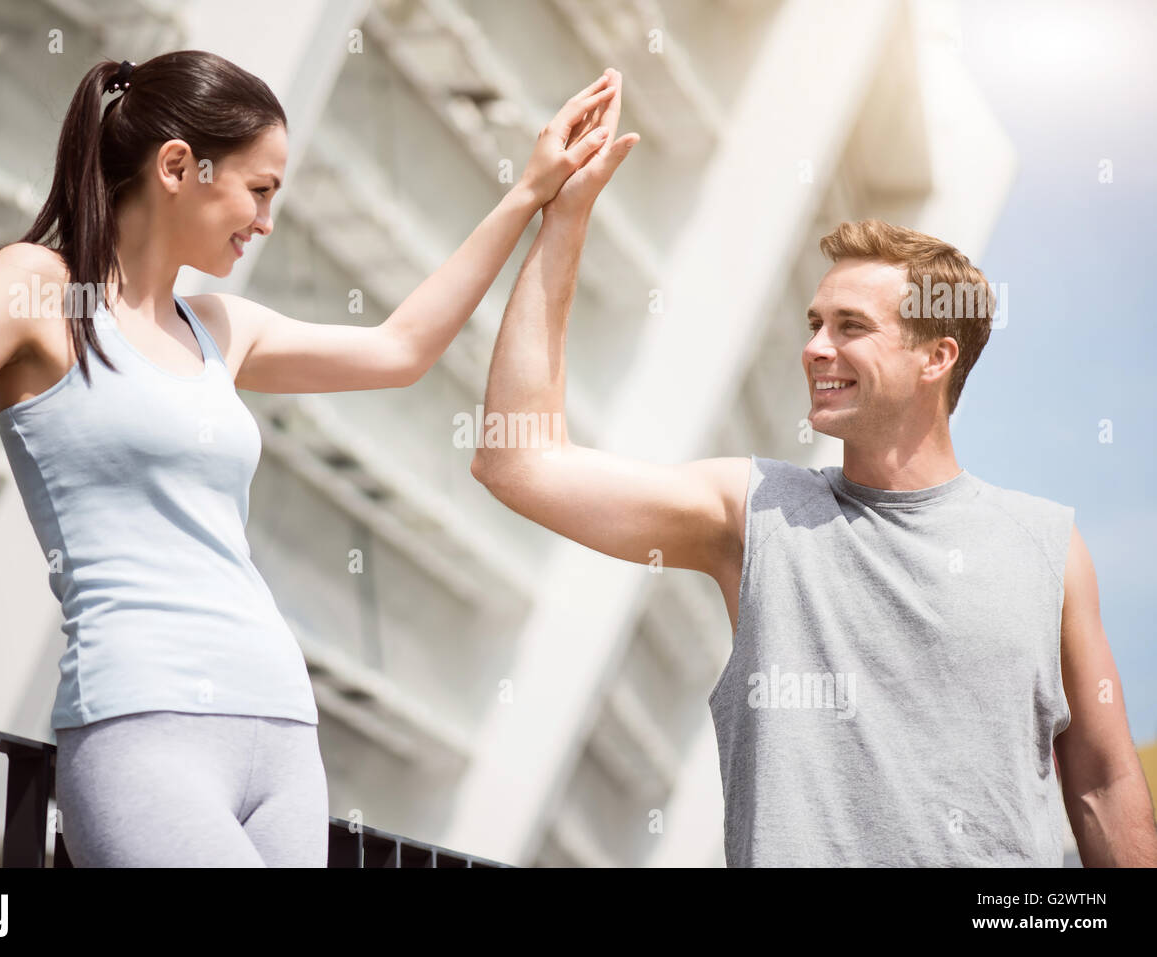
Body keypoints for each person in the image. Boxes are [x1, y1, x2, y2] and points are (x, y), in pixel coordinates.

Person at [0, 50, 620, 866]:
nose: (265, 221)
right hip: (143, 723)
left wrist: (531, 192)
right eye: (258, 191)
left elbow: (401, 347)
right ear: (179, 166)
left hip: (282, 731)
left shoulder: (220, 326)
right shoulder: (35, 288)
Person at [470, 69, 1157, 866]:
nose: (815, 348)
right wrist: (565, 212)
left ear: (937, 356)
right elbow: (517, 461)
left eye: (850, 326)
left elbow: (1104, 783)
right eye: (814, 322)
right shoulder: (753, 510)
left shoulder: (1049, 546)